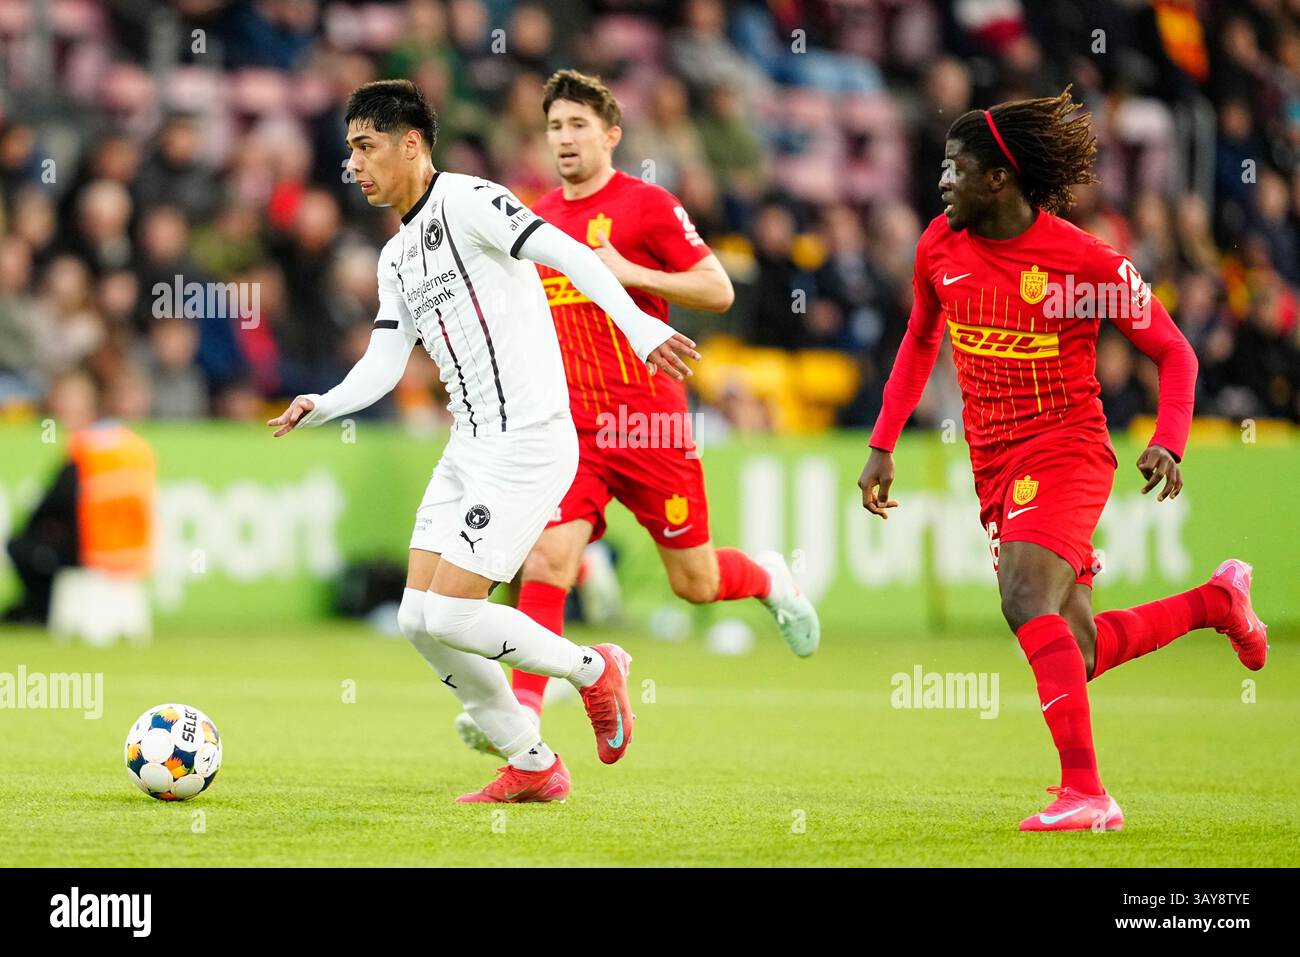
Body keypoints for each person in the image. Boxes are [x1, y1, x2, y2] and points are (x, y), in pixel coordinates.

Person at [267, 80, 699, 804]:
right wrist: (325, 402)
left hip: (528, 440)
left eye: (366, 147)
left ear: (412, 143)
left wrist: (640, 324)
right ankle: (531, 763)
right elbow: (384, 359)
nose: (355, 165)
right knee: (417, 618)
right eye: (349, 151)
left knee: (453, 612)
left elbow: (569, 254)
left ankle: (592, 668)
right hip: (469, 446)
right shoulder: (396, 259)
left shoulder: (470, 201)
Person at [856, 88, 1268, 832]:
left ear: (999, 180)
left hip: (1067, 446)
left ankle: (1086, 792)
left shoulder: (1084, 261)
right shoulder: (937, 249)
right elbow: (920, 340)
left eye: (955, 168)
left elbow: (1174, 350)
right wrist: (882, 442)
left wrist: (1170, 435)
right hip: (993, 464)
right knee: (1074, 650)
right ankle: (1219, 602)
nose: (941, 181)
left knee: (1022, 596)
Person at [452, 70, 820, 757]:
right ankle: (523, 719)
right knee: (545, 559)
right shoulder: (533, 221)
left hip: (651, 426)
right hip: (574, 433)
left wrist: (632, 273)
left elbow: (716, 289)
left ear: (611, 135)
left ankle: (768, 576)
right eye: (555, 127)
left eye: (578, 126)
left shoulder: (647, 206)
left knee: (696, 582)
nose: (564, 138)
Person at [3, 372, 155, 625]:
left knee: (23, 546)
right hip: (128, 549)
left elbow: (57, 501)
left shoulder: (86, 447)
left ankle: (39, 609)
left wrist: (37, 522)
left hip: (91, 547)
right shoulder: (123, 443)